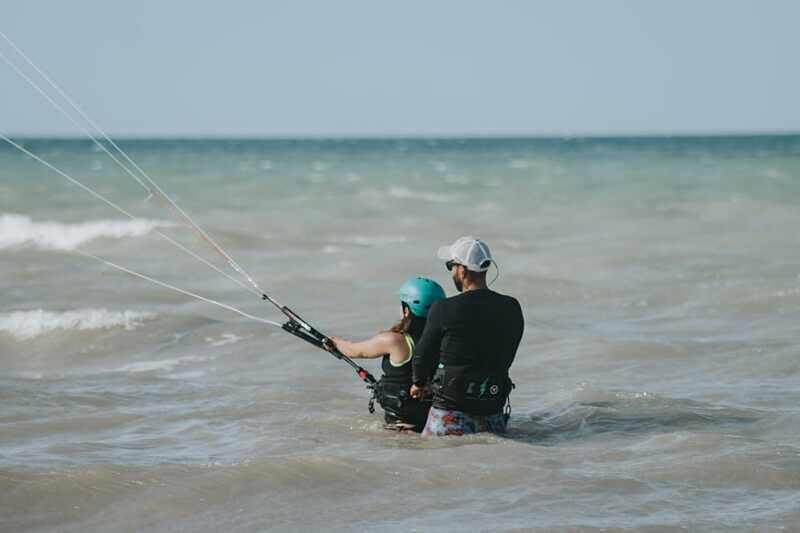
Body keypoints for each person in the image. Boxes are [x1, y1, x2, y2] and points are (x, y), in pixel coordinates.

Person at [410, 236, 524, 436]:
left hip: (450, 412)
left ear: (462, 270)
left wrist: (419, 383)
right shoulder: (511, 307)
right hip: (492, 411)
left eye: (451, 266)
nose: (451, 272)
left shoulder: (444, 308)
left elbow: (421, 355)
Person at [331, 277, 446, 432]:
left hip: (400, 428)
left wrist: (334, 342)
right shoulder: (447, 341)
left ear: (406, 310)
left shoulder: (393, 340)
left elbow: (352, 350)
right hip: (433, 423)